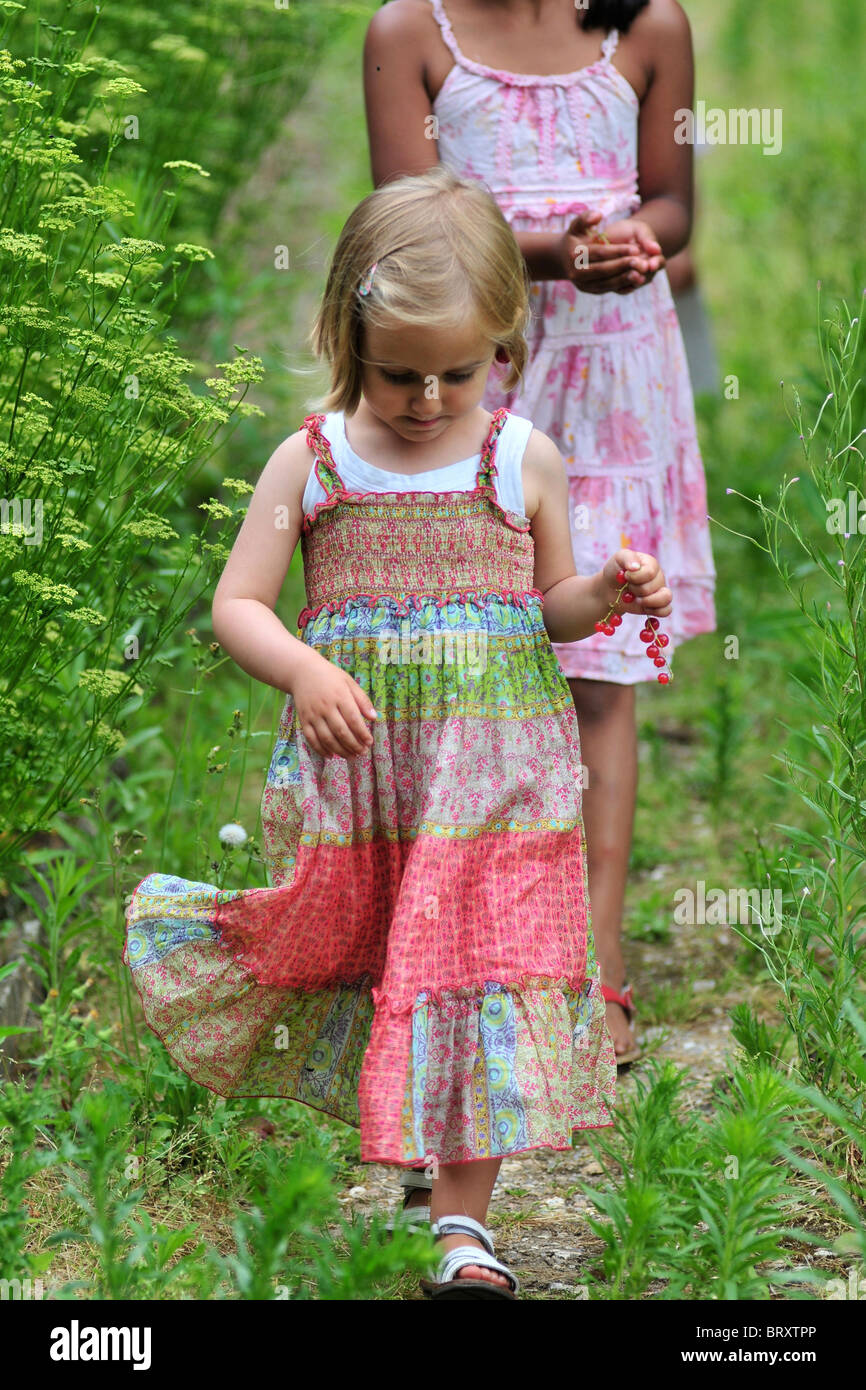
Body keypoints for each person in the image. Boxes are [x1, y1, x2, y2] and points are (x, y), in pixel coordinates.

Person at [123, 166, 674, 1299]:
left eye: (455, 374)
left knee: (488, 965)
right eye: (398, 374)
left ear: (504, 351)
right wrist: (305, 665)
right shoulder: (312, 459)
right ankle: (420, 1147)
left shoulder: (521, 458)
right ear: (344, 332)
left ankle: (463, 1225)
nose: (426, 399)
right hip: (368, 778)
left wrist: (610, 594)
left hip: (500, 778)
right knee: (378, 958)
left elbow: (547, 602)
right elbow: (237, 603)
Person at [363, 0, 717, 1065]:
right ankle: (458, 956)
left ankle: (591, 970)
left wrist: (636, 243)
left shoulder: (647, 26)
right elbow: (402, 224)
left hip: (615, 373)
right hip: (468, 375)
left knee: (598, 670)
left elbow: (672, 202)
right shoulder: (410, 34)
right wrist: (550, 255)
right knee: (468, 656)